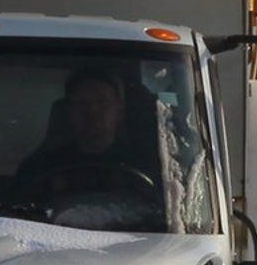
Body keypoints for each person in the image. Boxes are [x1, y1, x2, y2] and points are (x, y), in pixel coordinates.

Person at [15, 67, 155, 199]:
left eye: (102, 102)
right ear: (68, 111)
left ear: (119, 111)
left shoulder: (150, 166)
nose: (92, 111)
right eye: (82, 103)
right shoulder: (37, 169)